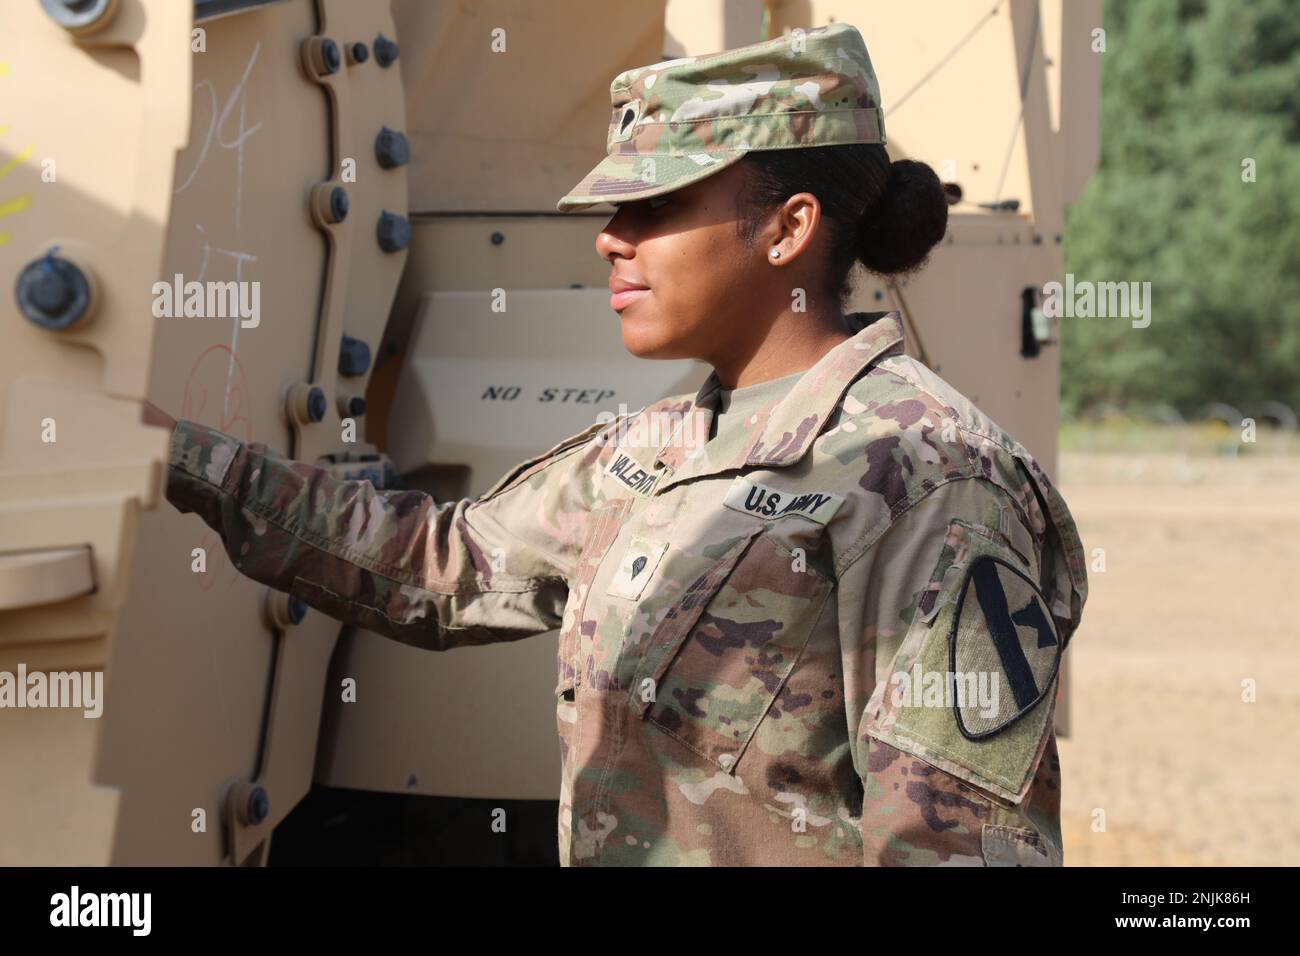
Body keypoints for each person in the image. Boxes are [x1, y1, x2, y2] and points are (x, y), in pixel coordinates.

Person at [148, 22, 1087, 866]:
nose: (610, 240)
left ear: (789, 228)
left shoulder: (934, 476)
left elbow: (953, 844)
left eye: (656, 207)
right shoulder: (657, 449)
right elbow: (439, 565)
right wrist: (179, 458)